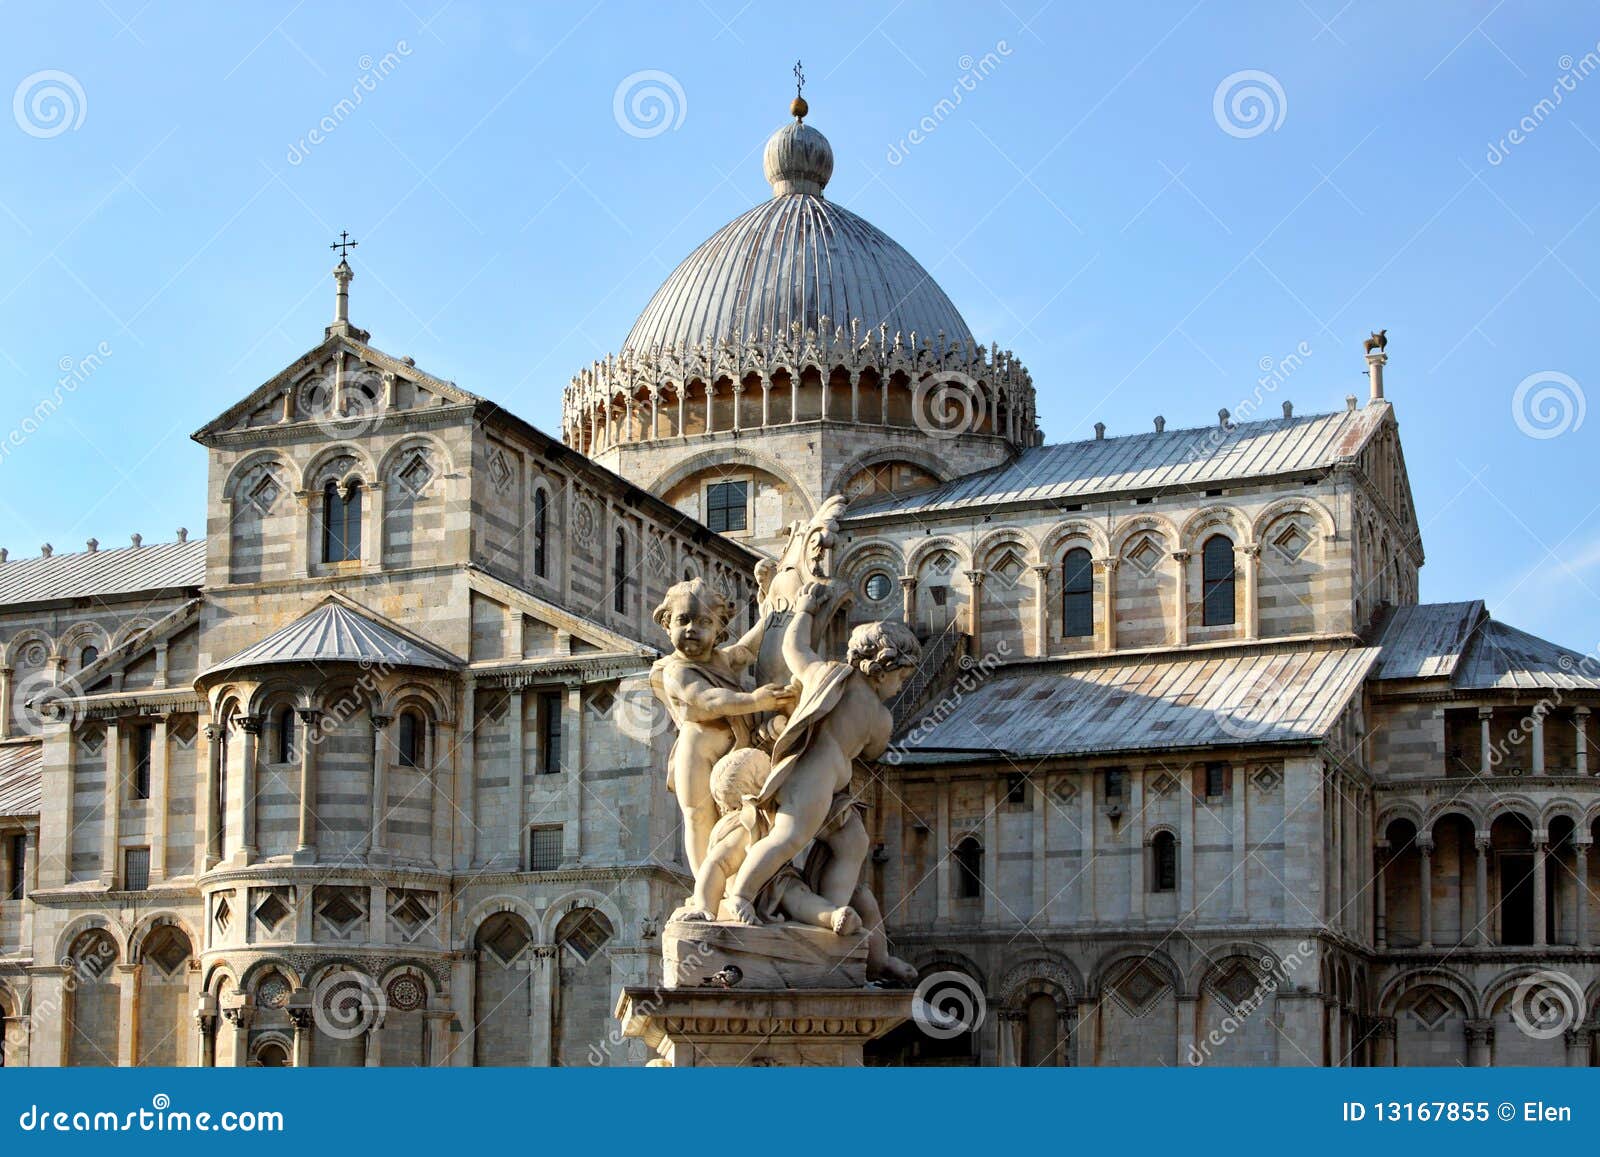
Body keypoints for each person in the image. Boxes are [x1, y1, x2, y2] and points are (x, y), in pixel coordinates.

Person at [725, 581, 921, 927]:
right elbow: (875, 752)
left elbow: (795, 646)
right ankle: (741, 895)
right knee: (788, 837)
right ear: (881, 668)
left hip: (830, 791)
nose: (901, 686)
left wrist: (805, 610)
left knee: (854, 842)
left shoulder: (827, 676)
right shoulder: (876, 713)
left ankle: (828, 912)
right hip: (811, 779)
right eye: (901, 677)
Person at [649, 578, 794, 873]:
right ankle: (704, 882)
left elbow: (746, 650)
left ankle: (732, 878)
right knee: (699, 817)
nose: (692, 628)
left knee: (738, 815)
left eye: (704, 622)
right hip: (696, 754)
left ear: (718, 631)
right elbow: (710, 700)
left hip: (732, 753)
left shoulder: (719, 660)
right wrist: (755, 701)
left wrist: (768, 617)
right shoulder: (675, 670)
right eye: (683, 620)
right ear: (667, 625)